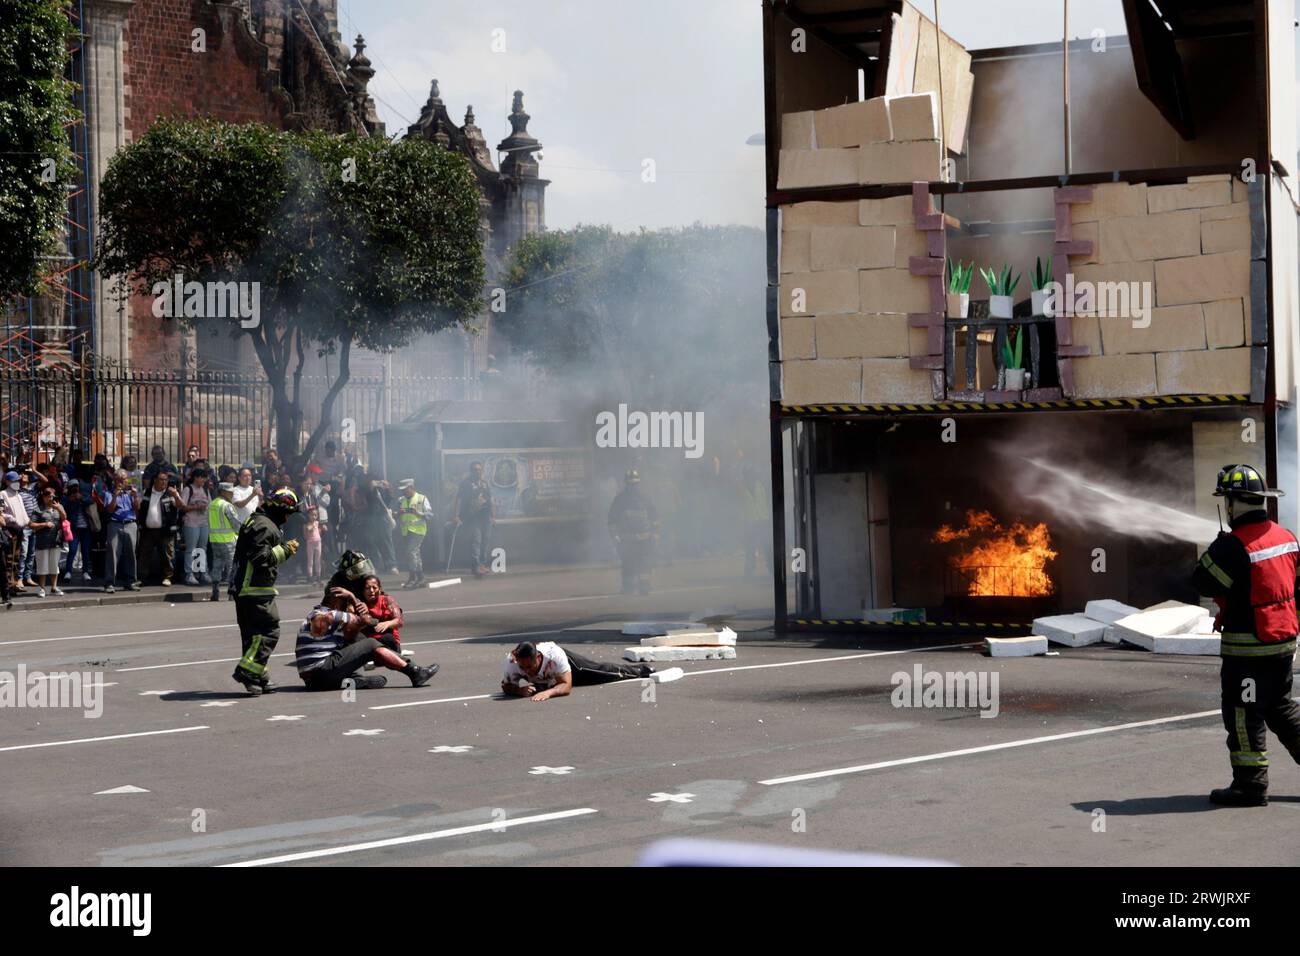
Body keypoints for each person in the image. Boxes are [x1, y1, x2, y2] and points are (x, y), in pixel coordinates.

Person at [1192, 463, 1300, 807]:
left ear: (1234, 503)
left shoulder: (1231, 547)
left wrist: (1217, 548)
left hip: (1248, 655)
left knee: (1244, 713)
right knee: (1280, 707)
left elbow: (1203, 582)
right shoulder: (1287, 538)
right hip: (1282, 644)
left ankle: (1250, 787)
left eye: (1226, 499)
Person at [228, 487, 301, 695]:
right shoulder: (265, 526)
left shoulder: (257, 520)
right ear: (279, 510)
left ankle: (259, 677)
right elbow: (260, 559)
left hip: (245, 587)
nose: (288, 518)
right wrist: (285, 551)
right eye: (288, 512)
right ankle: (247, 672)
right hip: (255, 589)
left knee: (252, 637)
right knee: (269, 630)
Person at [295, 586, 437, 691]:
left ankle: (355, 680)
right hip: (322, 672)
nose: (348, 608)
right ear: (337, 603)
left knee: (353, 640)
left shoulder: (314, 614)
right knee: (370, 644)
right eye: (346, 605)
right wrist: (352, 597)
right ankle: (415, 672)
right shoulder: (334, 615)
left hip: (312, 681)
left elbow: (351, 637)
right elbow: (368, 621)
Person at [499, 641, 652, 701]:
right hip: (550, 679)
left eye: (529, 667)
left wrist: (548, 693)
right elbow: (506, 686)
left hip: (570, 667)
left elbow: (566, 686)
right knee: (545, 684)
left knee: (601, 672)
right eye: (522, 667)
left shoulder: (554, 655)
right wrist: (520, 690)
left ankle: (640, 670)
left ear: (538, 657)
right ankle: (547, 685)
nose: (526, 671)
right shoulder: (512, 662)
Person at [607, 469, 659, 595]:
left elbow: (654, 517)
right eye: (631, 484)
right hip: (630, 538)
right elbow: (612, 520)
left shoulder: (640, 498)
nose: (633, 487)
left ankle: (641, 587)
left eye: (634, 484)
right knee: (632, 563)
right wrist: (614, 536)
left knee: (641, 563)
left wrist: (656, 533)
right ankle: (633, 587)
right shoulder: (622, 500)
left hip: (640, 538)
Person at [96, 469, 140, 592]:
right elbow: (109, 510)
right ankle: (109, 582)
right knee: (112, 555)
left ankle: (131, 581)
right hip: (115, 524)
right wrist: (115, 495)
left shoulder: (130, 492)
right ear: (115, 481)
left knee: (131, 554)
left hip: (130, 524)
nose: (123, 482)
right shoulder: (108, 493)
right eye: (120, 479)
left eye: (124, 479)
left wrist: (135, 496)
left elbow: (137, 508)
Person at [136, 471, 181, 587]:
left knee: (167, 555)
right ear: (155, 480)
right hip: (148, 530)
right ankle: (142, 577)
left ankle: (168, 577)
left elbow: (181, 506)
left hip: (165, 531)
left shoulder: (170, 494)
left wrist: (176, 495)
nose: (164, 482)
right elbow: (138, 508)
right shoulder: (146, 493)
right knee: (144, 555)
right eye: (161, 479)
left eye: (166, 480)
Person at [453, 461, 494, 577]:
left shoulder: (485, 483)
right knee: (476, 540)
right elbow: (458, 499)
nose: (478, 472)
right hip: (472, 517)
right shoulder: (465, 483)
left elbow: (490, 499)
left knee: (485, 541)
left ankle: (482, 564)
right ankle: (475, 566)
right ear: (471, 471)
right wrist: (455, 516)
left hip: (485, 517)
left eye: (479, 469)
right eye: (475, 469)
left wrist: (493, 515)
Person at [29, 485, 66, 598]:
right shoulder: (38, 509)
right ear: (44, 497)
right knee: (42, 566)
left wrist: (59, 508)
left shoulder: (58, 507)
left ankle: (54, 587)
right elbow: (31, 524)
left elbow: (64, 518)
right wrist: (44, 524)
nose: (51, 498)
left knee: (54, 565)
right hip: (42, 542)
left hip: (56, 541)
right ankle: (42, 588)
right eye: (49, 496)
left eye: (52, 496)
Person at [396, 478, 432, 588]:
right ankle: (421, 578)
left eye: (405, 489)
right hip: (406, 531)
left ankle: (413, 578)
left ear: (411, 488)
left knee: (410, 552)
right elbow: (394, 514)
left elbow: (430, 515)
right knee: (415, 553)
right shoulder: (401, 499)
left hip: (418, 530)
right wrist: (398, 513)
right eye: (402, 490)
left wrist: (418, 513)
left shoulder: (422, 498)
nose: (403, 492)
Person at [207, 481, 239, 601]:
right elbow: (236, 525)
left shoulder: (211, 504)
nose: (232, 494)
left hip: (214, 540)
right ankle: (231, 594)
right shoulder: (227, 506)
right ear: (224, 492)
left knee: (216, 566)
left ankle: (215, 593)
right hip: (228, 541)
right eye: (230, 492)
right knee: (232, 567)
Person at [179, 469, 211, 586]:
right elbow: (182, 507)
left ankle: (201, 572)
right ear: (195, 477)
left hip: (204, 522)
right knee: (191, 548)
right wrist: (196, 507)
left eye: (204, 478)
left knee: (202, 548)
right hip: (191, 522)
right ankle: (189, 573)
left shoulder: (205, 490)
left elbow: (209, 505)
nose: (203, 480)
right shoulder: (188, 489)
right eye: (201, 477)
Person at [1, 470, 30, 595]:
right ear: (7, 482)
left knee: (17, 558)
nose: (16, 483)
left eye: (17, 480)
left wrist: (25, 521)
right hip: (10, 529)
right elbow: (1, 512)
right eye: (14, 480)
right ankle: (8, 585)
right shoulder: (3, 494)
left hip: (20, 530)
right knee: (9, 558)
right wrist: (12, 520)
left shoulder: (18, 495)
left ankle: (13, 583)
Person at [738, 465, 770, 578]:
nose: (750, 477)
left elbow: (765, 502)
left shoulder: (760, 486)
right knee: (750, 548)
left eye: (751, 474)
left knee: (767, 546)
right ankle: (749, 569)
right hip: (749, 521)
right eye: (747, 475)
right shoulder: (741, 489)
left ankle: (771, 568)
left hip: (762, 519)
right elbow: (739, 506)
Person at [61, 479, 95, 583]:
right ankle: (68, 572)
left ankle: (85, 572)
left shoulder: (83, 495)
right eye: (73, 487)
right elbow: (63, 508)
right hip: (73, 529)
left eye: (76, 486)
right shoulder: (66, 498)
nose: (75, 489)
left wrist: (82, 498)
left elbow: (91, 502)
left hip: (86, 528)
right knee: (72, 550)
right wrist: (70, 499)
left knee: (85, 551)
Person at [361, 574, 403, 644]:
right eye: (367, 588)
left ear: (379, 589)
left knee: (387, 638)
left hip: (388, 641)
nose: (371, 590)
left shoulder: (387, 600)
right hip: (369, 643)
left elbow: (399, 621)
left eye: (374, 587)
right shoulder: (360, 603)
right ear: (363, 590)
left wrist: (387, 623)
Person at [303, 498, 323, 584]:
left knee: (317, 560)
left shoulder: (317, 523)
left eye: (315, 515)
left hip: (318, 542)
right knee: (310, 560)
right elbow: (306, 535)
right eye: (312, 515)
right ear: (308, 516)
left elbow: (318, 533)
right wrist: (310, 528)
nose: (314, 517)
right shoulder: (306, 524)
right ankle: (310, 576)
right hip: (310, 543)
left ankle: (318, 576)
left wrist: (322, 529)